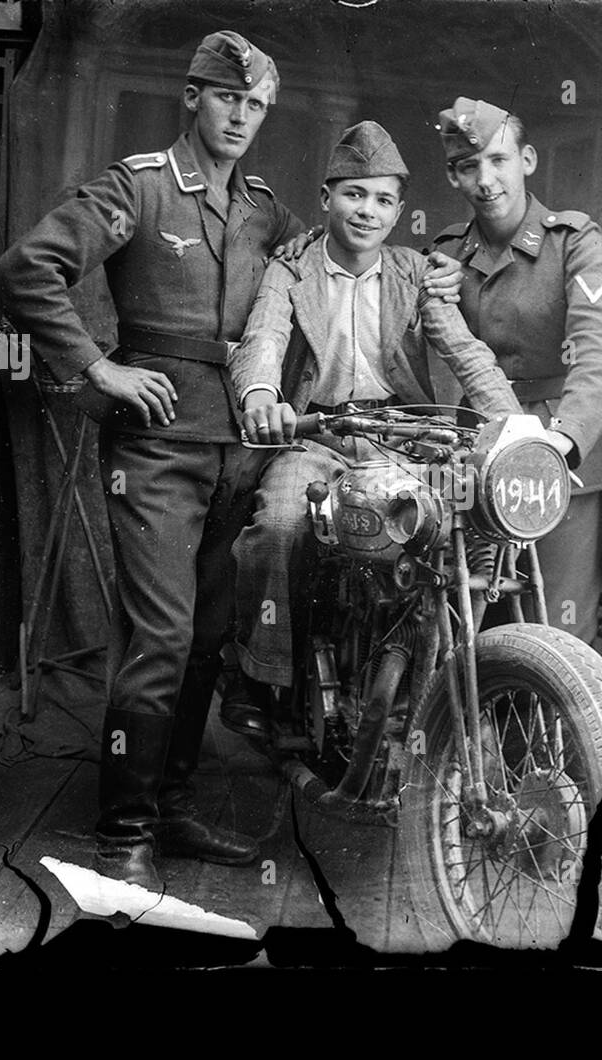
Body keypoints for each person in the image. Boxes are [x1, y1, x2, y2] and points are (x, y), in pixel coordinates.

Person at [0, 31, 308, 890]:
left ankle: (171, 803)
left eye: (255, 104)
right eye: (226, 98)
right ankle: (123, 831)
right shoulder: (138, 188)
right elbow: (28, 269)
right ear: (192, 97)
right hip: (157, 447)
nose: (240, 116)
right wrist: (98, 367)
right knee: (163, 636)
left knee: (209, 636)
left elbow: (315, 278)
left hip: (239, 451)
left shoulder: (263, 208)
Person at [219, 121, 520, 736]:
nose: (367, 210)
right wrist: (260, 397)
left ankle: (444, 691)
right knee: (278, 525)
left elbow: (466, 352)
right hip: (314, 436)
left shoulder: (416, 273)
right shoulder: (291, 267)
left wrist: (513, 427)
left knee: (465, 531)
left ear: (398, 211)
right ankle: (260, 677)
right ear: (327, 197)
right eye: (355, 194)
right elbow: (264, 338)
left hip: (402, 439)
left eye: (383, 200)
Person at [427, 98, 602, 646]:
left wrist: (563, 442)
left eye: (498, 160)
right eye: (469, 166)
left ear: (527, 159)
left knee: (557, 633)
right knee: (464, 631)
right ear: (454, 175)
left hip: (562, 458)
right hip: (476, 453)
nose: (486, 179)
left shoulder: (574, 244)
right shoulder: (447, 253)